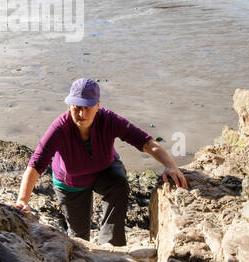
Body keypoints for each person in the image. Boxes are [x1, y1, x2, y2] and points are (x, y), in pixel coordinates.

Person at [13, 77, 188, 246]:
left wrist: (170, 165)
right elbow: (36, 164)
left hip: (104, 171)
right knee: (79, 239)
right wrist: (23, 200)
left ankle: (111, 244)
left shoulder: (109, 120)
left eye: (87, 107)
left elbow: (145, 142)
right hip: (71, 183)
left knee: (119, 182)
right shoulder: (60, 128)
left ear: (98, 105)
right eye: (76, 107)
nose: (81, 114)